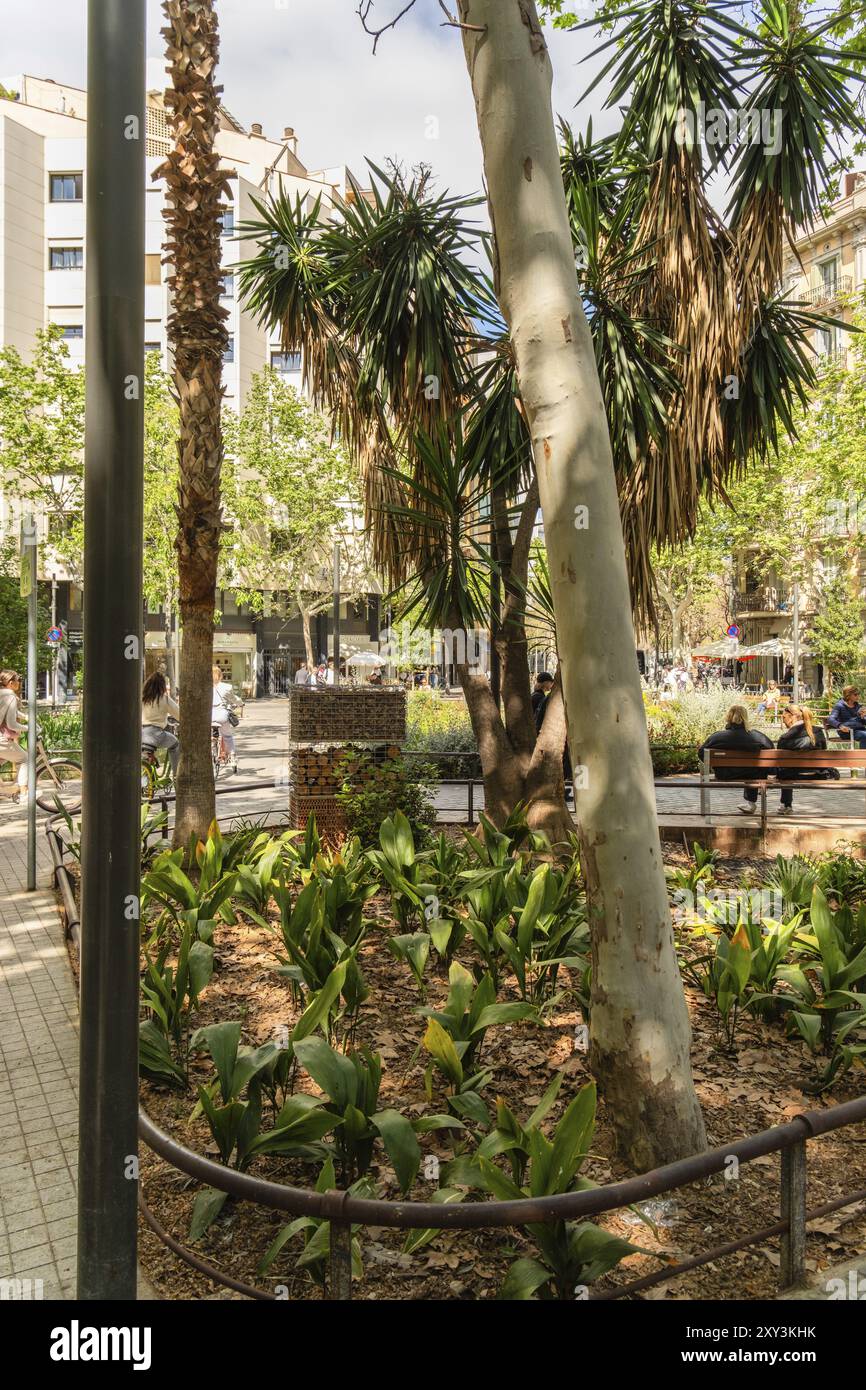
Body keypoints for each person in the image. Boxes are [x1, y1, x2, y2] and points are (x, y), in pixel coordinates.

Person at [697, 705, 773, 815]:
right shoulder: (758, 737)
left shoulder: (717, 736)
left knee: (752, 769)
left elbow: (702, 754)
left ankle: (750, 804)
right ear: (745, 718)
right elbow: (770, 750)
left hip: (725, 774)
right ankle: (751, 804)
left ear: (728, 717)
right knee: (755, 769)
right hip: (752, 774)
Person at [776, 704, 832, 815]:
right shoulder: (818, 732)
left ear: (792, 717)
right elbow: (824, 751)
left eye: (784, 717)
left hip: (792, 775)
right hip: (818, 773)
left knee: (785, 770)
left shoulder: (785, 738)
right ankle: (786, 805)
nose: (783, 721)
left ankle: (786, 805)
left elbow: (779, 761)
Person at [141, 671, 180, 777]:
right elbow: (179, 714)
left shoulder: (142, 698)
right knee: (175, 744)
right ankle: (177, 775)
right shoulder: (164, 699)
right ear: (162, 686)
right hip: (156, 734)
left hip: (141, 733)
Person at [0, 670, 28, 802]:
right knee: (25, 759)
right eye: (18, 680)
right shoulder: (10, 696)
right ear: (11, 683)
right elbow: (11, 724)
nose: (19, 683)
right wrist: (29, 728)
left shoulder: (2, 694)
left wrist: (27, 717)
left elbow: (12, 711)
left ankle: (7, 790)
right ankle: (24, 794)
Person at [212, 665, 238, 774]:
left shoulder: (203, 687)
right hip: (221, 716)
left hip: (209, 716)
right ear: (220, 675)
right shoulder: (226, 687)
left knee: (211, 735)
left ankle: (212, 749)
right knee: (227, 736)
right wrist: (241, 703)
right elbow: (234, 699)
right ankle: (232, 757)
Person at [827, 684, 866, 749]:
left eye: (858, 694)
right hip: (846, 731)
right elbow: (830, 719)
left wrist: (863, 717)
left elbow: (863, 722)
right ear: (848, 695)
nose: (858, 696)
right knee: (864, 735)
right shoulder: (839, 706)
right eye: (855, 694)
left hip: (859, 729)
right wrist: (840, 726)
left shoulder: (858, 706)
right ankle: (863, 757)